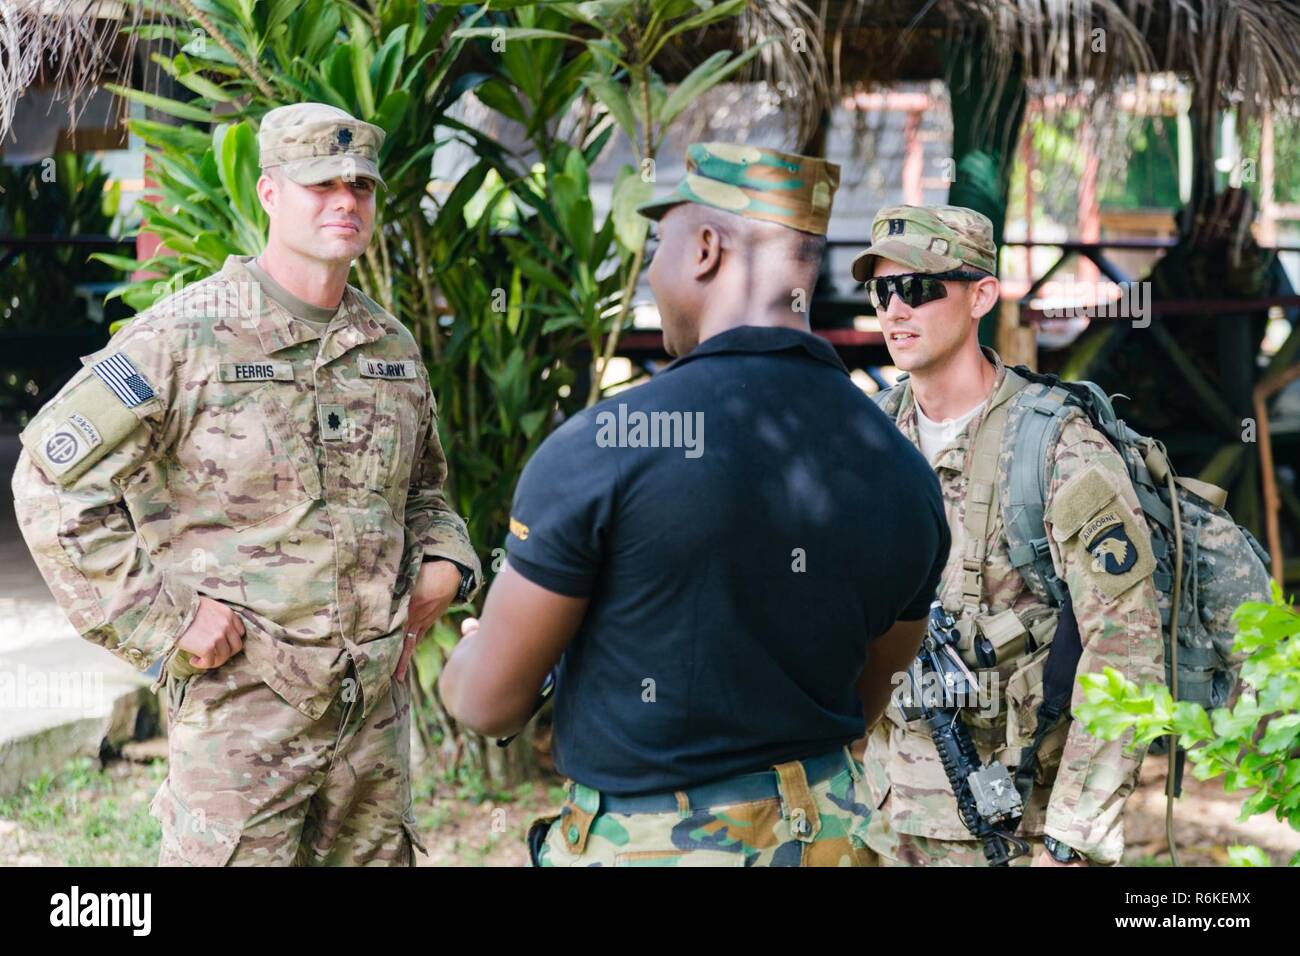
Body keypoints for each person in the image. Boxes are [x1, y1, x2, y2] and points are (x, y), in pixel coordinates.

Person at [438, 143, 950, 867]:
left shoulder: (603, 446)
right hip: (828, 840)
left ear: (706, 248)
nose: (652, 269)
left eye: (659, 242)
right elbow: (863, 698)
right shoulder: (902, 468)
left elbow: (489, 705)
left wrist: (465, 659)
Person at [12, 102, 480, 866]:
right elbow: (49, 484)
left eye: (360, 185)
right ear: (269, 194)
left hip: (370, 729)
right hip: (243, 723)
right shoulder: (182, 336)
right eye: (320, 183)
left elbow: (425, 491)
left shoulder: (388, 347)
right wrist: (164, 621)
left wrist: (444, 562)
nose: (345, 200)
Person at [855, 203, 1164, 866]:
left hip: (1016, 831)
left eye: (918, 287)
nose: (894, 309)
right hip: (877, 818)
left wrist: (1072, 840)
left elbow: (1127, 654)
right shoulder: (866, 437)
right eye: (881, 290)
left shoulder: (1054, 449)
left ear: (981, 297)